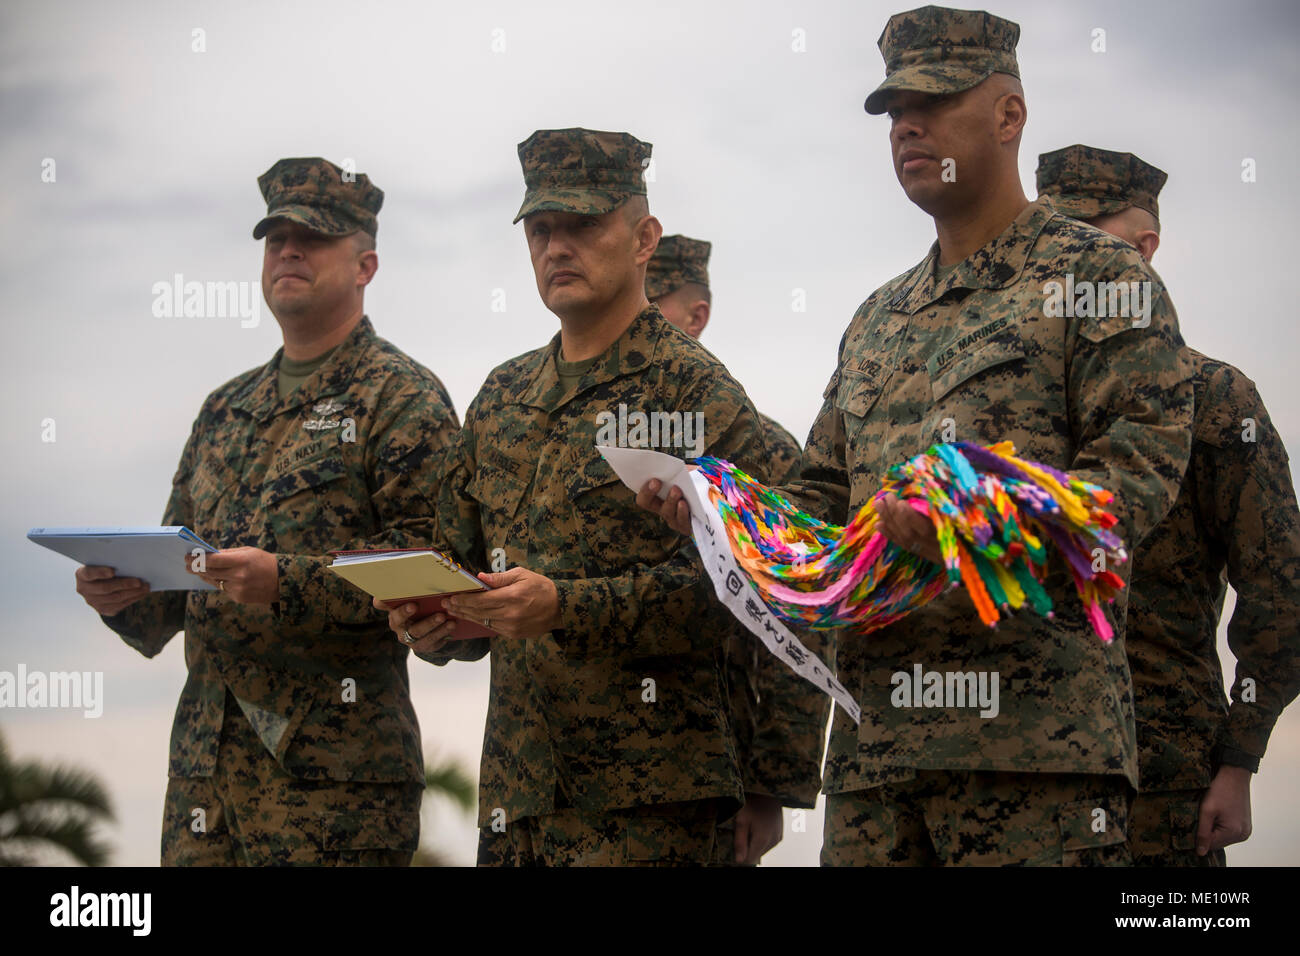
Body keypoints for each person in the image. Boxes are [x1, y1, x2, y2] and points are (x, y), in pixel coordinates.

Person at [640, 6, 1195, 865]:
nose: (908, 125)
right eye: (896, 109)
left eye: (934, 100)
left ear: (1009, 114)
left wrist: (970, 517)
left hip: (1034, 760)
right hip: (876, 768)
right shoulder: (878, 318)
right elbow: (821, 499)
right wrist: (722, 514)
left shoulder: (1100, 280)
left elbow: (1134, 489)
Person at [383, 128, 773, 866]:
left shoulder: (696, 394)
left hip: (654, 807)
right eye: (540, 230)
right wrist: (436, 620)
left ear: (643, 238)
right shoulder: (501, 398)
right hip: (518, 794)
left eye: (584, 225)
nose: (557, 247)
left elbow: (751, 589)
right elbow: (459, 567)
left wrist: (569, 605)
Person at [75, 157, 459, 865]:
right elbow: (171, 594)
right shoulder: (225, 409)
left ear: (365, 265)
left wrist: (292, 583)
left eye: (312, 238)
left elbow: (434, 576)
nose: (288, 251)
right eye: (275, 237)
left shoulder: (401, 398)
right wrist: (118, 592)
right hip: (205, 780)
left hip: (334, 789)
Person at [1038, 144, 1300, 865]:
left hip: (1160, 782)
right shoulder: (1019, 398)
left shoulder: (1213, 398)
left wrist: (1239, 758)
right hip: (1018, 775)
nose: (1066, 261)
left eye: (1088, 236)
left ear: (1144, 246)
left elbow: (1280, 592)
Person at [647, 234, 828, 864]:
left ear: (695, 316)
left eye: (650, 302)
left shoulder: (761, 451)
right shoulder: (580, 435)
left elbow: (801, 610)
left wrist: (772, 785)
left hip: (708, 776)